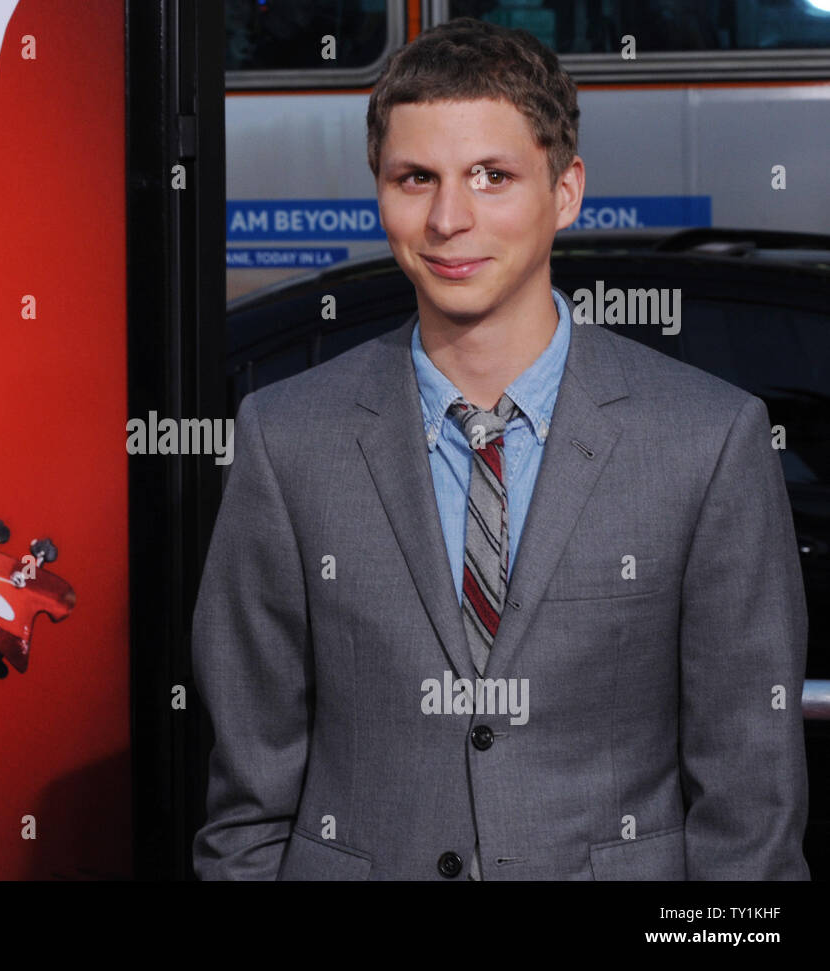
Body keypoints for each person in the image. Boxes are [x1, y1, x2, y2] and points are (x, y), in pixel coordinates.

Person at [191, 17, 809, 880]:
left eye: (491, 175)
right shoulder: (287, 438)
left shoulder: (707, 439)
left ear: (565, 191)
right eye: (417, 178)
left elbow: (750, 813)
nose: (450, 217)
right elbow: (248, 803)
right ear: (380, 190)